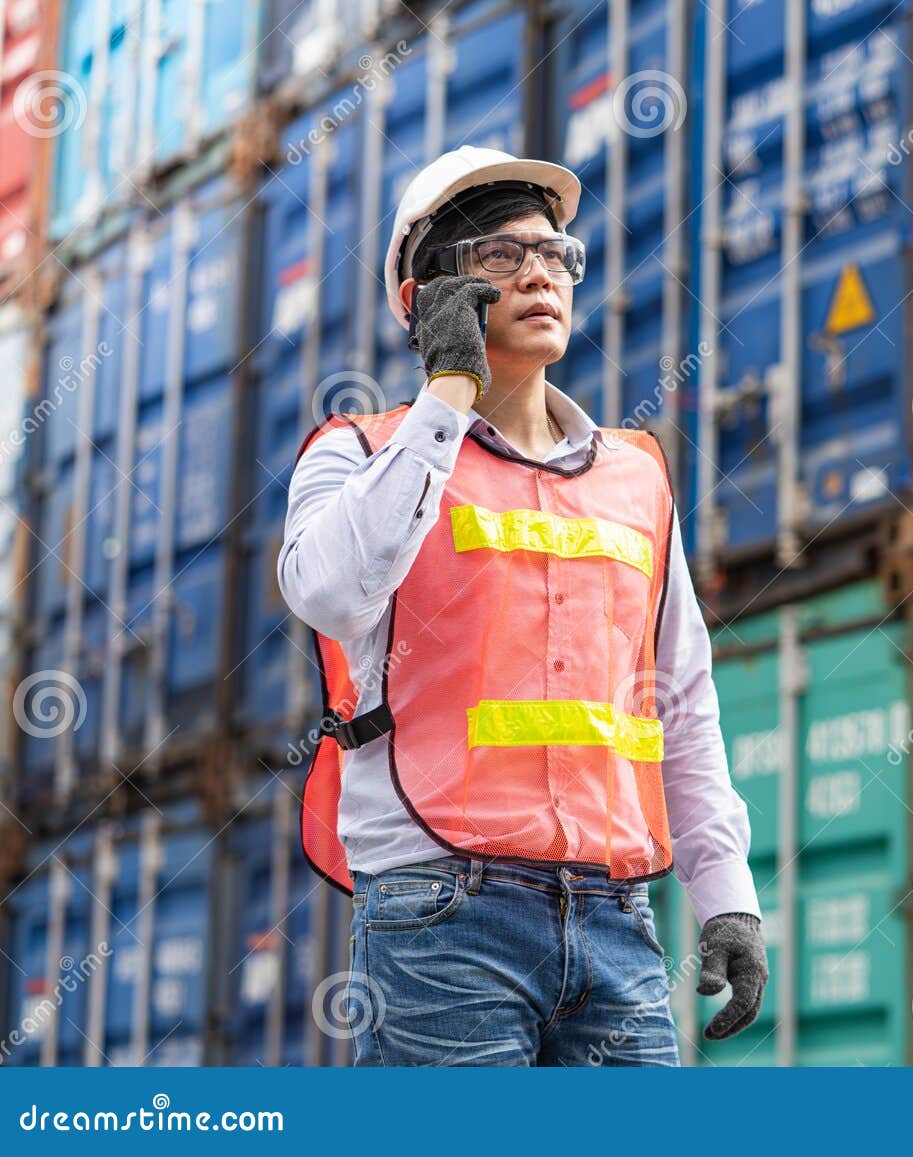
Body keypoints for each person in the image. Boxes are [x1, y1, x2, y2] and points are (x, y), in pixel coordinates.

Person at [278, 146, 767, 1066]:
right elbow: (331, 593)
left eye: (556, 253)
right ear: (430, 296)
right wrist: (447, 397)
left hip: (617, 919)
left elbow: (681, 706)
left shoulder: (637, 477)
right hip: (440, 915)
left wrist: (726, 891)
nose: (542, 271)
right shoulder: (359, 453)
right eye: (503, 256)